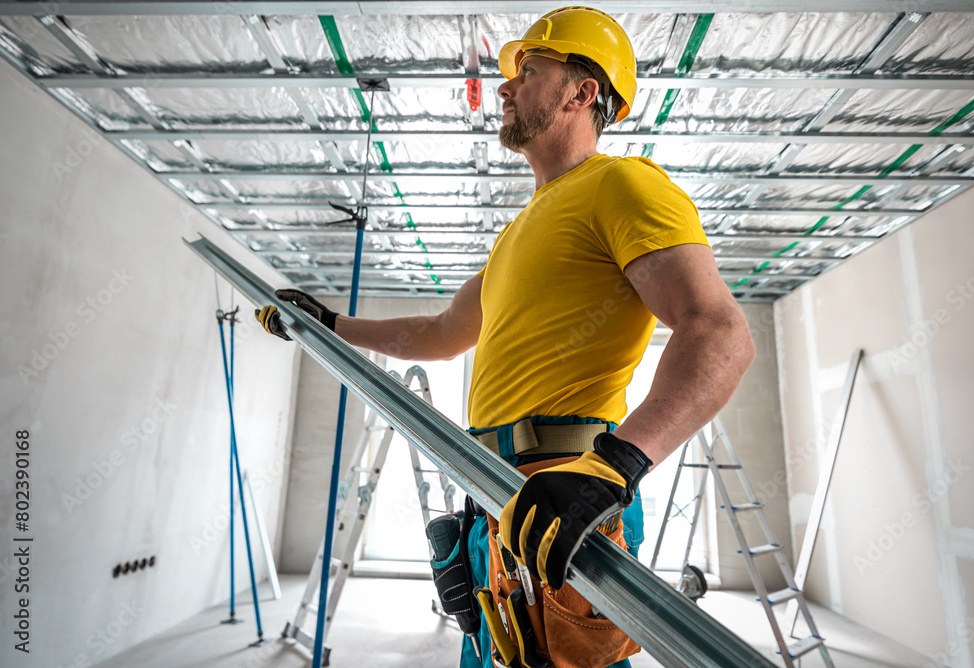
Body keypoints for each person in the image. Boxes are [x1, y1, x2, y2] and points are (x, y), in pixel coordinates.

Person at [256, 7, 754, 667]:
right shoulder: (517, 233)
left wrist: (615, 467)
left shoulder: (622, 184)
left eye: (530, 70)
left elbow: (720, 332)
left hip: (567, 487)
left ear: (581, 92)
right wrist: (330, 325)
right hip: (495, 493)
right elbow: (440, 332)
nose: (505, 86)